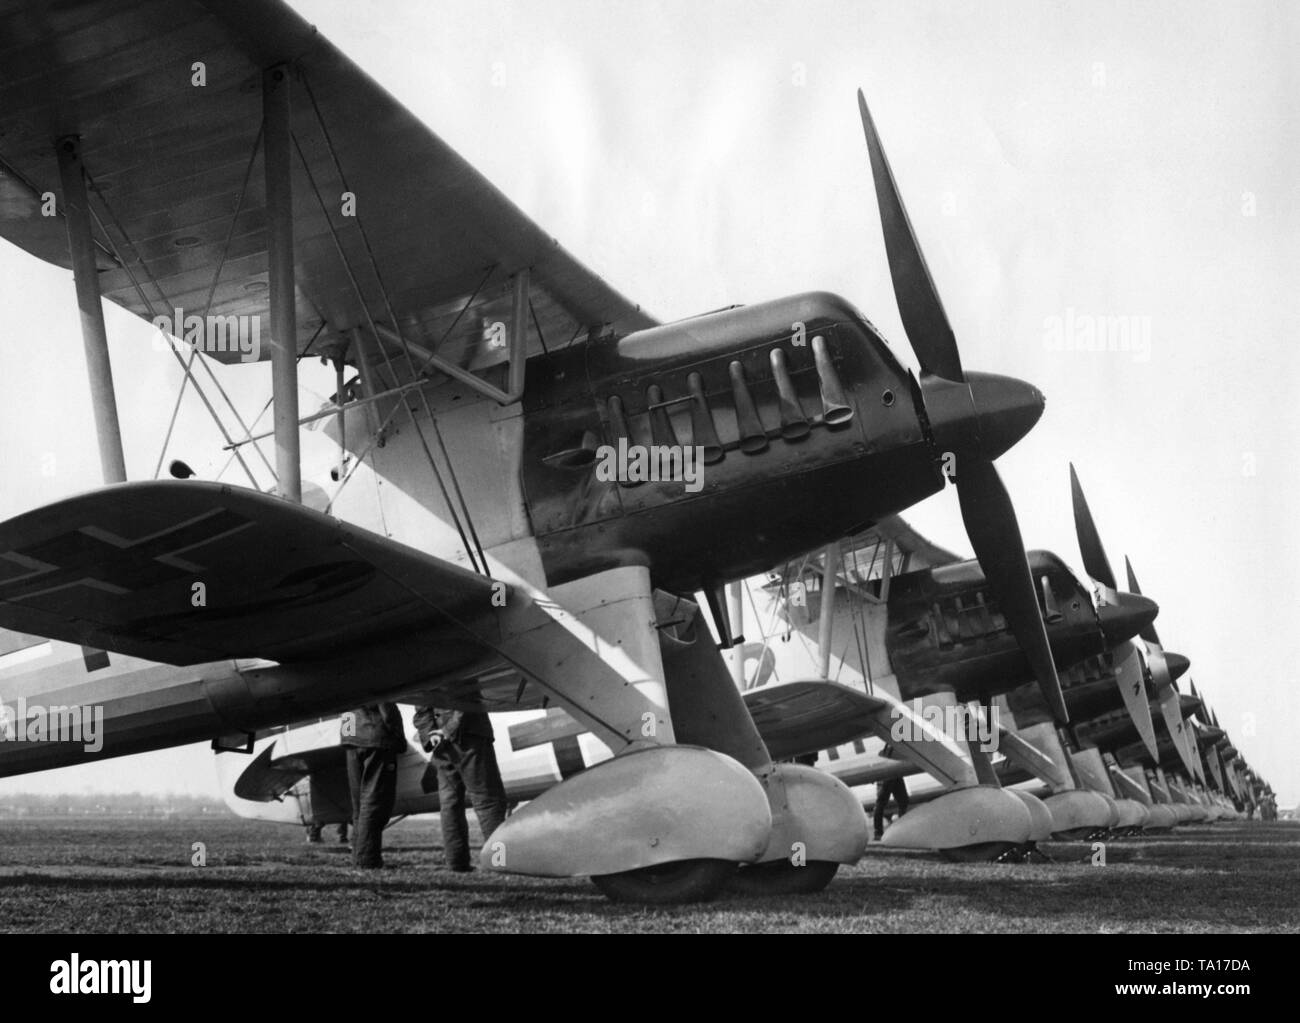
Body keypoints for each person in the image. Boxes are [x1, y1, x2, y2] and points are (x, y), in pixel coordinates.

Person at [413, 705, 508, 872]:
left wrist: (431, 737)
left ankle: (456, 864)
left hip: (440, 744)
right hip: (470, 737)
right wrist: (448, 730)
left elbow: (421, 709)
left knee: (450, 805)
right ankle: (499, 863)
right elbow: (465, 700)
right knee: (489, 802)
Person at [340, 702, 406, 869]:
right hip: (376, 739)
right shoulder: (376, 674)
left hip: (351, 740)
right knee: (374, 804)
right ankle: (368, 861)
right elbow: (387, 707)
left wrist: (348, 737)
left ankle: (359, 858)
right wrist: (399, 738)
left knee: (359, 806)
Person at [873, 744, 910, 840]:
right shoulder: (889, 746)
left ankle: (902, 828)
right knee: (881, 803)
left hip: (895, 772)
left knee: (903, 800)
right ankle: (878, 832)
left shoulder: (890, 746)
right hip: (888, 772)